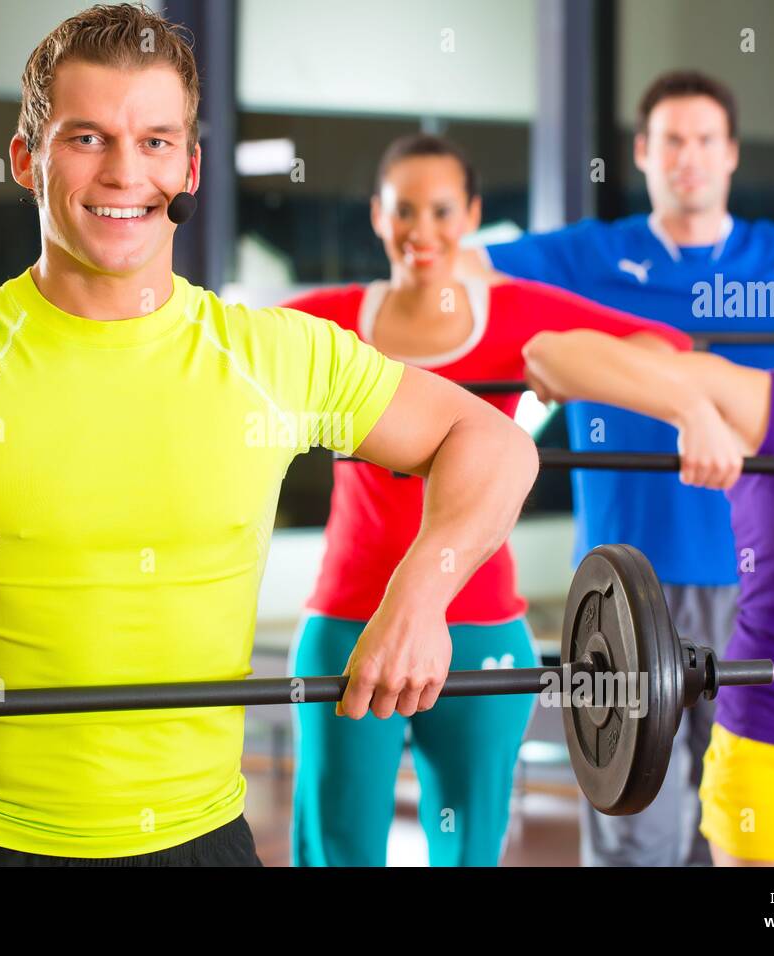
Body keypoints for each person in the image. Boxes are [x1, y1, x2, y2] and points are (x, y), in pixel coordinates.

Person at [0, 5, 538, 867]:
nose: (124, 173)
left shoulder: (276, 354)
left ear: (189, 167)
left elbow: (492, 441)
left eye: (154, 141)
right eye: (87, 138)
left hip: (205, 841)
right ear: (26, 159)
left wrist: (424, 592)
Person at [462, 70, 774, 867]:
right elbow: (522, 326)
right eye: (672, 141)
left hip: (763, 591)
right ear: (646, 153)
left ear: (731, 154)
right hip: (634, 586)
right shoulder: (601, 260)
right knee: (634, 825)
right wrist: (687, 406)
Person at [281, 134, 690, 867]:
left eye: (442, 209)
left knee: (467, 848)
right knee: (335, 849)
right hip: (348, 619)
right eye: (403, 210)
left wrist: (570, 363)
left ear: (470, 214)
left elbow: (661, 347)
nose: (422, 230)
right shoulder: (333, 318)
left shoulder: (514, 312)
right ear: (379, 216)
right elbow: (215, 342)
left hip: (482, 629)